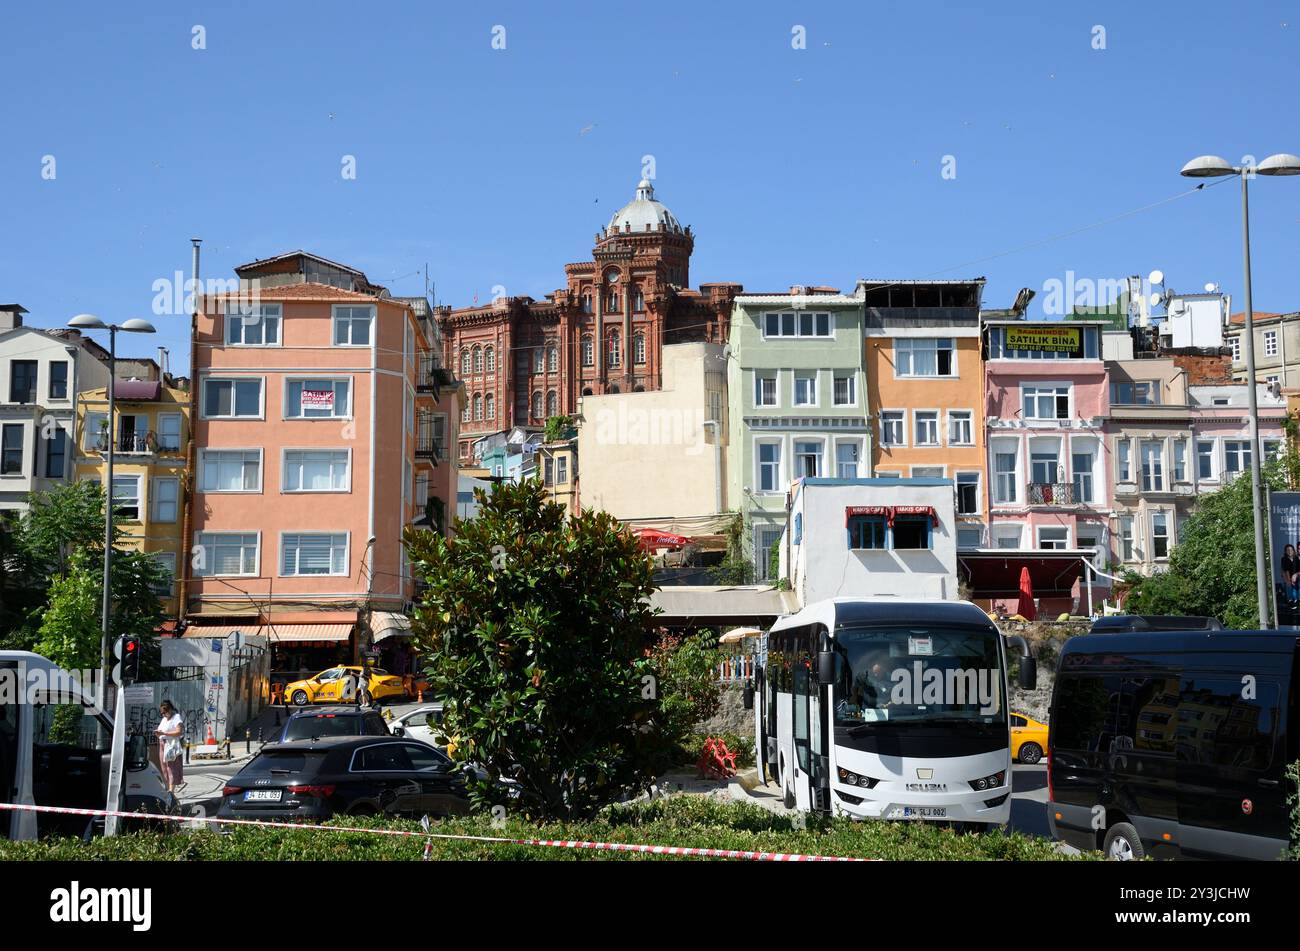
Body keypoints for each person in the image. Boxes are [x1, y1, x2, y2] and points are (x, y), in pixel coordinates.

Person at [154, 701, 185, 794]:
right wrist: (158, 733)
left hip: (171, 744)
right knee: (164, 767)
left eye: (165, 712)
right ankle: (168, 788)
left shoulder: (176, 717)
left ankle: (171, 791)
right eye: (162, 713)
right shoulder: (164, 719)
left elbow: (179, 732)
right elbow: (161, 730)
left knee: (171, 767)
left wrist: (164, 733)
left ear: (170, 710)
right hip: (162, 743)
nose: (163, 714)